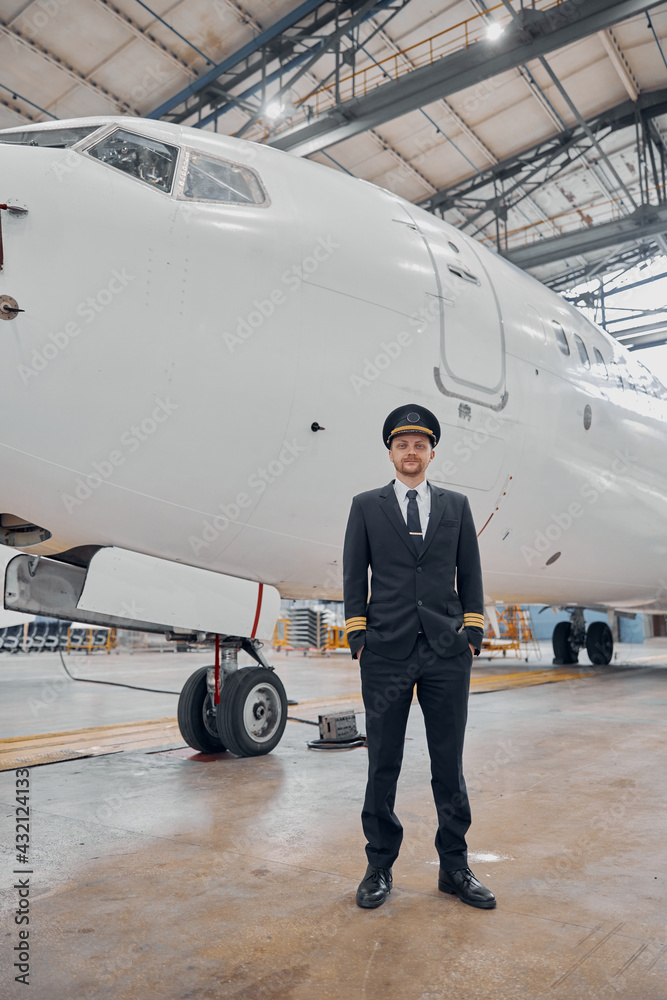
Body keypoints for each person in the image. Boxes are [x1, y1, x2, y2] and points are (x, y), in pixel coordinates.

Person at [343, 404, 496, 910]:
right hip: (385, 650)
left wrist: (471, 631)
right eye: (402, 444)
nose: (411, 452)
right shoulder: (366, 506)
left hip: (446, 652)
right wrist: (358, 637)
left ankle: (454, 867)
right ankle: (379, 866)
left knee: (448, 765)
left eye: (420, 444)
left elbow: (470, 574)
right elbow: (354, 575)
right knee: (382, 762)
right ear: (390, 452)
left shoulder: (456, 505)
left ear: (432, 451)